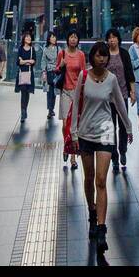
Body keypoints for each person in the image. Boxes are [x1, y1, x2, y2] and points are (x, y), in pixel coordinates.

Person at [69, 41, 133, 254]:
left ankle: (102, 228)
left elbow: (119, 104)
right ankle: (92, 211)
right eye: (99, 55)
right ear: (92, 57)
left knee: (100, 181)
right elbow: (76, 102)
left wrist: (128, 126)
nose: (103, 58)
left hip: (106, 133)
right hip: (86, 133)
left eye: (105, 55)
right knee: (88, 179)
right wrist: (74, 133)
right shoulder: (84, 77)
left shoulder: (112, 79)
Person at [105, 27, 136, 174]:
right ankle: (114, 157)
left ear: (118, 39)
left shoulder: (124, 53)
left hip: (122, 94)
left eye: (114, 37)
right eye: (109, 37)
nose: (112, 40)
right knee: (111, 127)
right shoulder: (104, 54)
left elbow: (129, 72)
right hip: (108, 97)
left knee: (123, 125)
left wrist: (132, 91)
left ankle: (122, 150)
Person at [57, 30, 88, 171]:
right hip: (65, 91)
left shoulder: (81, 55)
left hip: (77, 92)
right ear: (68, 39)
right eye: (71, 36)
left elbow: (84, 72)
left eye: (75, 37)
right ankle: (66, 145)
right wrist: (61, 66)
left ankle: (73, 156)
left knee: (73, 124)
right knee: (65, 124)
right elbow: (57, 70)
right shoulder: (62, 53)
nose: (73, 39)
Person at [15, 30, 36, 124]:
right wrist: (27, 61)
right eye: (27, 37)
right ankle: (23, 112)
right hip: (22, 73)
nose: (29, 38)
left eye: (30, 37)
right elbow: (18, 62)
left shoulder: (32, 49)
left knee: (27, 93)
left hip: (29, 73)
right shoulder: (20, 49)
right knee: (23, 92)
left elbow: (34, 62)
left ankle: (25, 109)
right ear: (24, 38)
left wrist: (24, 61)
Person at [42, 30, 59, 119]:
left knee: (54, 92)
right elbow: (43, 61)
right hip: (48, 72)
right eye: (52, 37)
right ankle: (50, 110)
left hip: (56, 72)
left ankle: (52, 109)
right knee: (49, 92)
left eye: (54, 37)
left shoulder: (58, 49)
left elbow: (60, 61)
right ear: (49, 39)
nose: (54, 38)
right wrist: (44, 72)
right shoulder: (45, 49)